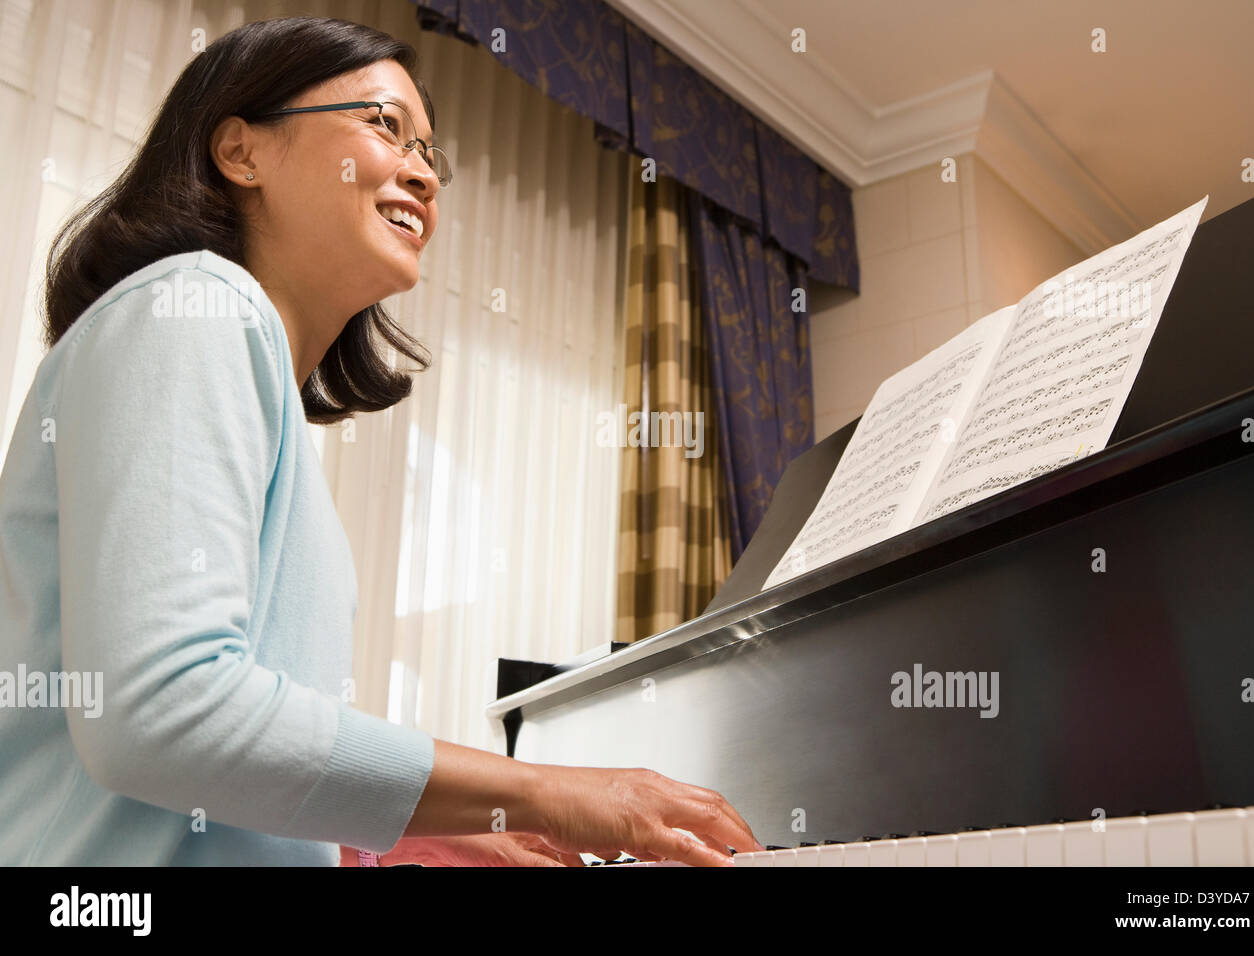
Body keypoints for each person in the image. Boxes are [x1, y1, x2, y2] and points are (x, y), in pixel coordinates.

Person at [0, 15, 761, 867]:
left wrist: (426, 834)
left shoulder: (238, 359)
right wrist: (550, 791)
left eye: (431, 154)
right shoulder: (197, 304)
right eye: (384, 124)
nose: (423, 174)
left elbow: (220, 788)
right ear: (241, 151)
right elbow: (159, 714)